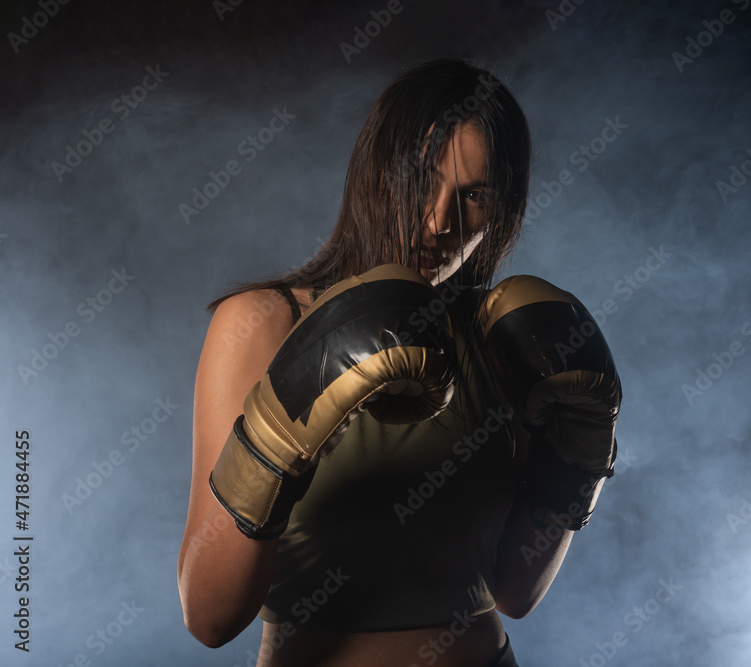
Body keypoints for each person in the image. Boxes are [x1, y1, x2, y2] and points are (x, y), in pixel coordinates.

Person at [176, 58, 621, 667]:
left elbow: (516, 593)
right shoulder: (263, 323)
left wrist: (578, 463)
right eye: (420, 178)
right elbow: (208, 617)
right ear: (374, 172)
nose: (438, 221)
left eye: (476, 195)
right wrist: (275, 443)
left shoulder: (504, 336)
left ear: (503, 209)